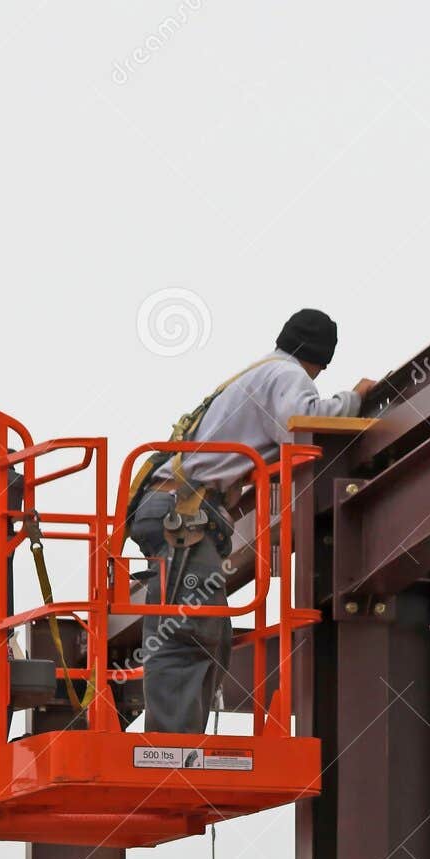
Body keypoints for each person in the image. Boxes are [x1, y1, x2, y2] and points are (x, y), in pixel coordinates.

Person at [127, 308, 374, 733]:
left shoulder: (261, 373)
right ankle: (170, 756)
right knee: (190, 632)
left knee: (207, 630)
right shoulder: (288, 375)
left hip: (176, 510)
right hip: (181, 514)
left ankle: (176, 746)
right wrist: (355, 397)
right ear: (320, 361)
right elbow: (306, 423)